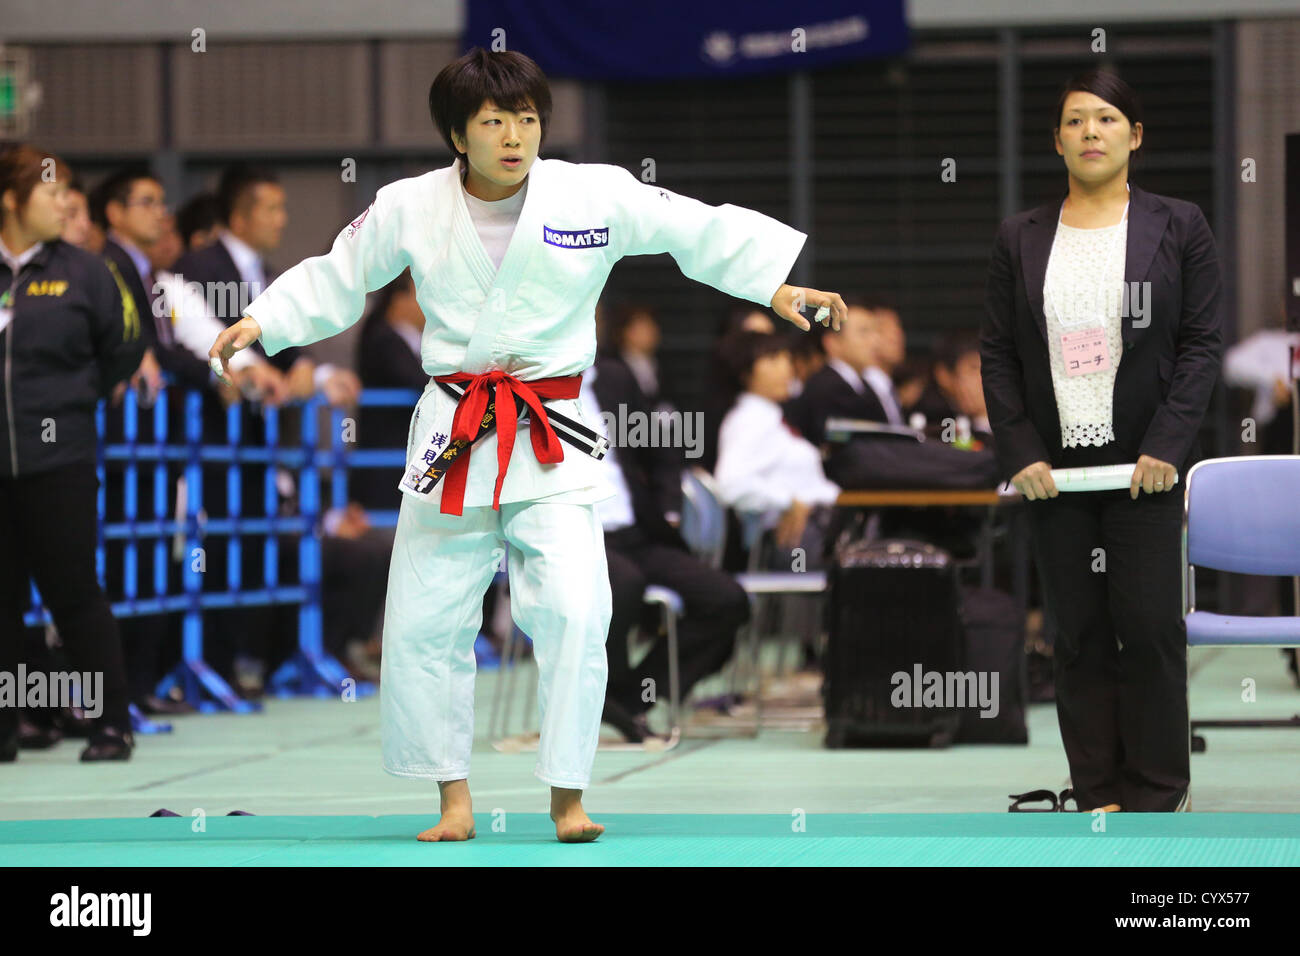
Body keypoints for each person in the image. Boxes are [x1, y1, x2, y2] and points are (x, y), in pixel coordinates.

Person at [209, 47, 843, 843]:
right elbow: (341, 272)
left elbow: (694, 230)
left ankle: (567, 796)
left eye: (529, 118)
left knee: (580, 609)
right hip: (456, 430)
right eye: (493, 121)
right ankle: (453, 799)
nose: (515, 135)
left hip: (551, 432)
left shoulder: (592, 192)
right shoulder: (410, 204)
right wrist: (261, 322)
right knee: (426, 619)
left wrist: (781, 292)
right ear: (456, 133)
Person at [980, 70, 1222, 813]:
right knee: (1078, 634)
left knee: (1148, 628)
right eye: (1076, 121)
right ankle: (1097, 788)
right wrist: (1020, 451)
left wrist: (1167, 447)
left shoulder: (1181, 225)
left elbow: (1200, 346)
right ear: (1056, 141)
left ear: (1134, 136)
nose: (1091, 132)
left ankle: (1158, 787)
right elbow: (998, 353)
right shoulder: (1019, 235)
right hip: (1056, 470)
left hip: (1146, 463)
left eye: (1107, 119)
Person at [0, 144, 145, 761]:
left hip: (59, 460)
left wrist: (76, 398)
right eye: (50, 191)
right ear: (11, 199)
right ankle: (8, 726)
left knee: (75, 592)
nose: (65, 203)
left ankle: (111, 724)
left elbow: (126, 346)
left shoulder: (87, 271)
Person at [582, 354, 748, 742]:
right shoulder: (527, 380)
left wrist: (670, 506)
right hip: (574, 534)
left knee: (726, 599)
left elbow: (661, 446)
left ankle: (628, 697)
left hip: (635, 531)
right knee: (625, 583)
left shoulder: (611, 376)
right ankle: (607, 695)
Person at [713, 330, 841, 564]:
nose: (786, 368)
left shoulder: (770, 417)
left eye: (786, 358)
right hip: (797, 544)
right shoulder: (751, 420)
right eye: (773, 359)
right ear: (745, 372)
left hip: (819, 531)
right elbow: (731, 484)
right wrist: (788, 501)